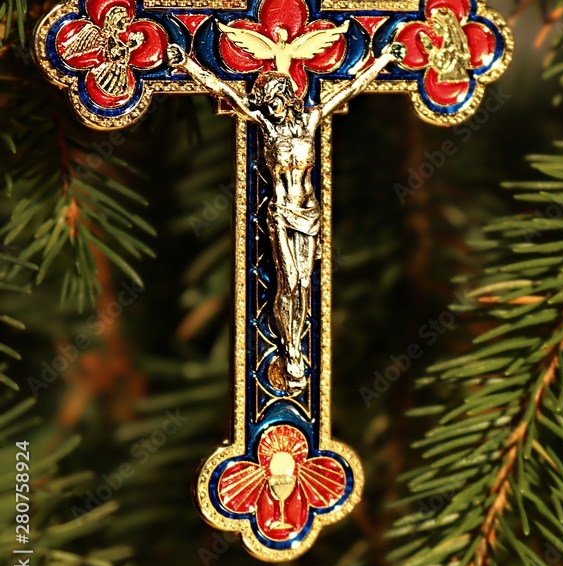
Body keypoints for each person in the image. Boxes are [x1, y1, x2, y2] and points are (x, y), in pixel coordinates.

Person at [167, 39, 405, 393]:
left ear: (287, 96)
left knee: (305, 284)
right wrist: (186, 65)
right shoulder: (266, 126)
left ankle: (296, 345)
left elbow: (352, 88)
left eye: (276, 99)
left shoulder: (310, 121)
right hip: (281, 212)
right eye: (268, 103)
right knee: (288, 280)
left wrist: (384, 58)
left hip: (309, 212)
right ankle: (292, 350)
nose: (273, 106)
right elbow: (223, 91)